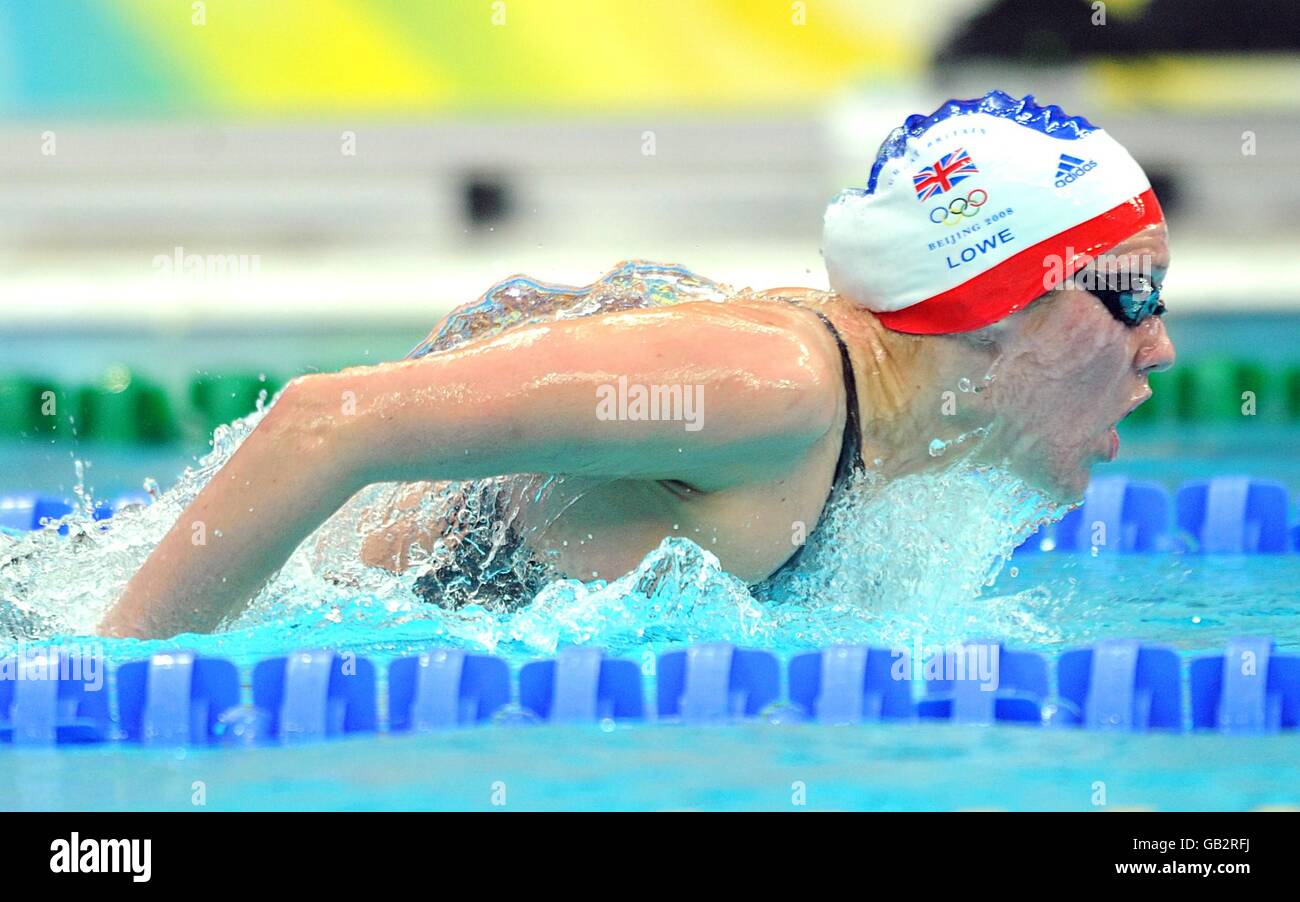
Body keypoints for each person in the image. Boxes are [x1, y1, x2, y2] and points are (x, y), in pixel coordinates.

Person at [101, 91, 1175, 639]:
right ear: (988, 300)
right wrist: (112, 687)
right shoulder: (771, 388)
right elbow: (324, 421)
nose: (1157, 347)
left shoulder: (890, 445)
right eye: (1128, 298)